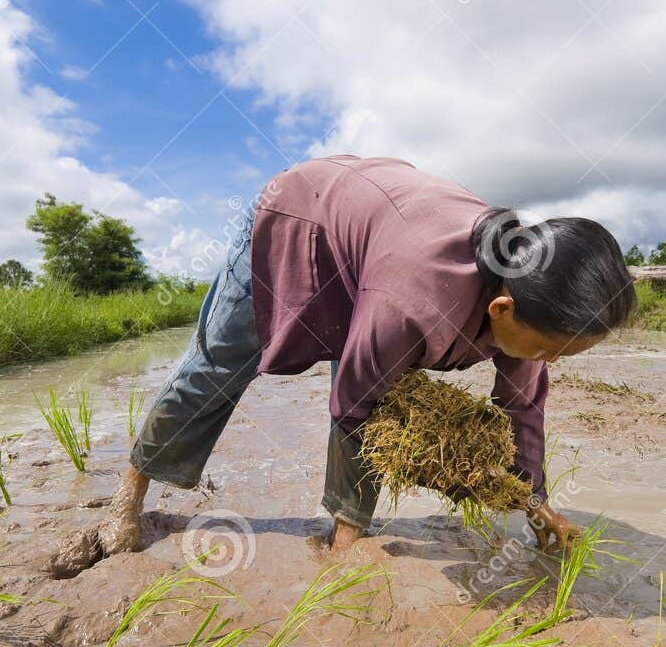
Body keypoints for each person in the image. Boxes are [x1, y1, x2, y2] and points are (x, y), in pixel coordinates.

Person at [50, 155, 635, 577]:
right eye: (549, 349)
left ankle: (343, 519)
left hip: (375, 242)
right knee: (219, 363)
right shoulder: (413, 299)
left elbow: (522, 408)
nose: (550, 363)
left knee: (378, 349)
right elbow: (358, 403)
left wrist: (535, 507)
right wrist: (348, 545)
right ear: (502, 307)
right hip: (299, 217)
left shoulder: (522, 290)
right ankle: (126, 503)